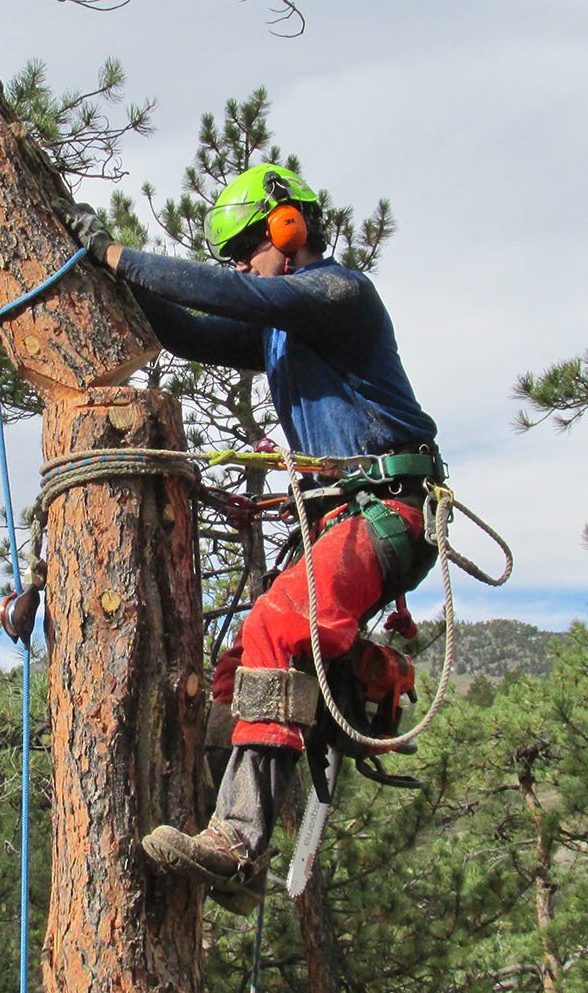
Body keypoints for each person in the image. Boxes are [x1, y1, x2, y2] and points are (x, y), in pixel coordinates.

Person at [67, 162, 440, 910]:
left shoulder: (340, 295)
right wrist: (121, 281)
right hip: (338, 516)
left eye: (245, 248)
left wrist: (116, 254)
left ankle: (237, 842)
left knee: (278, 623)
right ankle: (224, 839)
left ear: (287, 229)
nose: (238, 266)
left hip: (388, 509)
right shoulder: (279, 331)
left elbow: (232, 294)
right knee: (240, 669)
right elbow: (195, 333)